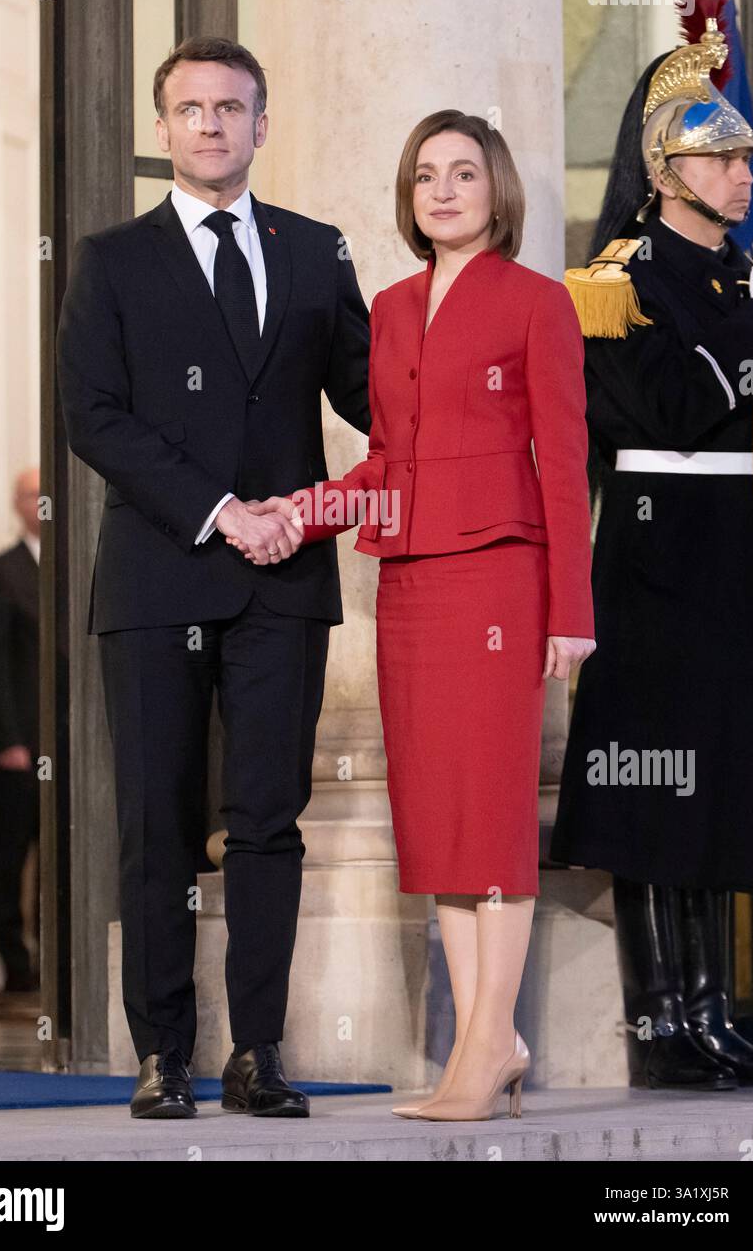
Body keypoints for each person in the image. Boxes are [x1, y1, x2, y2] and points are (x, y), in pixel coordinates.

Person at [231, 110, 596, 1120]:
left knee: (488, 814)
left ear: (497, 191)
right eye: (425, 175)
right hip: (411, 585)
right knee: (435, 815)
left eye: (462, 174)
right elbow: (387, 461)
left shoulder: (536, 303)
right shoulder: (388, 308)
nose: (441, 191)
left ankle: (482, 1044)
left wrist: (573, 608)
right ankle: (491, 1038)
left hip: (499, 578)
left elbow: (563, 464)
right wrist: (300, 512)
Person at [57, 36, 370, 1119]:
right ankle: (162, 1054)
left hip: (284, 583)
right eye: (188, 108)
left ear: (261, 124)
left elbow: (379, 396)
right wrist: (220, 510)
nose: (208, 125)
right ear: (162, 129)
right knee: (156, 817)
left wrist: (471, 323)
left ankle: (259, 1054)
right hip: (159, 576)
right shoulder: (109, 259)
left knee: (269, 821)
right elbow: (92, 416)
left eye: (229, 107)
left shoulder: (318, 251)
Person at [550, 2, 753, 1089]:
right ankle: (661, 1025)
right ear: (664, 167)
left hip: (732, 554)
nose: (741, 177)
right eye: (719, 158)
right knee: (656, 797)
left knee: (721, 785)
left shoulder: (736, 287)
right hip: (653, 561)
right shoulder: (613, 286)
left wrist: (750, 326)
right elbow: (669, 406)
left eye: (742, 159)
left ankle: (713, 1008)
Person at [0, 467, 42, 993]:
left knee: (56, 856)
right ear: (17, 505)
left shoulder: (71, 560)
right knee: (10, 854)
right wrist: (9, 738)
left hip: (64, 742)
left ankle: (53, 961)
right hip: (20, 743)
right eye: (30, 494)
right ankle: (15, 966)